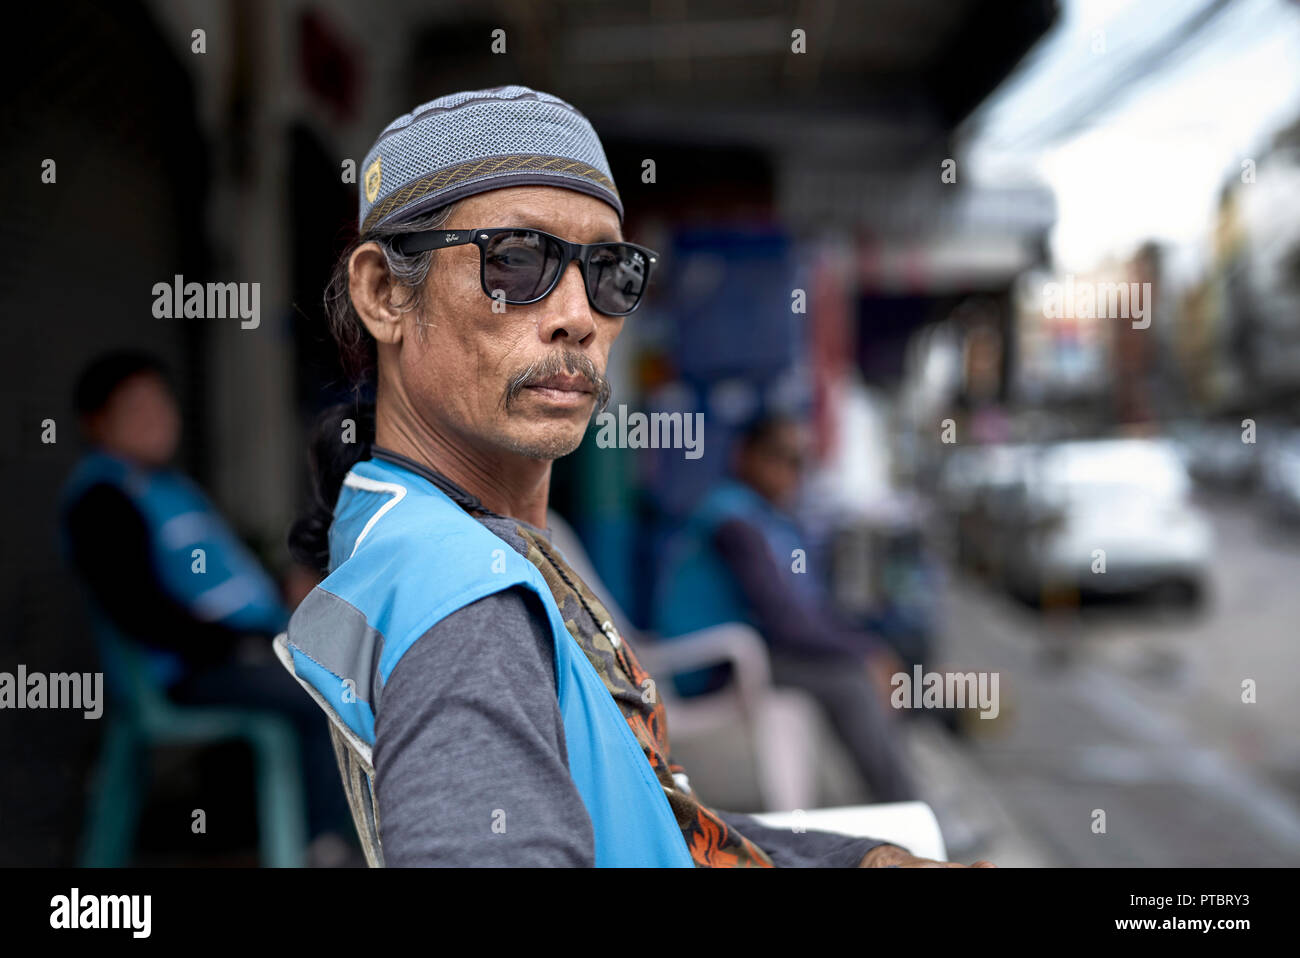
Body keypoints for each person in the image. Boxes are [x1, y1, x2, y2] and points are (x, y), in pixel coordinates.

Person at [284, 84, 993, 868]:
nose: (579, 316)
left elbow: (641, 821)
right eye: (515, 261)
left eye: (609, 272)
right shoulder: (465, 596)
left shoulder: (436, 528)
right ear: (385, 294)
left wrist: (853, 860)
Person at [59, 350, 356, 865]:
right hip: (186, 674)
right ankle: (327, 849)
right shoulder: (102, 499)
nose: (155, 417)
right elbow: (143, 612)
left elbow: (221, 578)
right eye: (135, 408)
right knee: (326, 690)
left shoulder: (170, 488)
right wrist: (244, 643)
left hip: (236, 654)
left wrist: (283, 590)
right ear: (96, 424)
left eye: (160, 403)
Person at [655, 415, 921, 803]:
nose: (789, 472)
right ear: (743, 457)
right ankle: (907, 806)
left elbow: (810, 612)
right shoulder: (733, 519)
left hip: (753, 649)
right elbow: (786, 621)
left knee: (889, 658)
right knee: (849, 681)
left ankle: (910, 795)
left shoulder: (771, 519)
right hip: (711, 664)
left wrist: (868, 648)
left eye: (799, 462)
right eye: (777, 457)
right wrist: (865, 653)